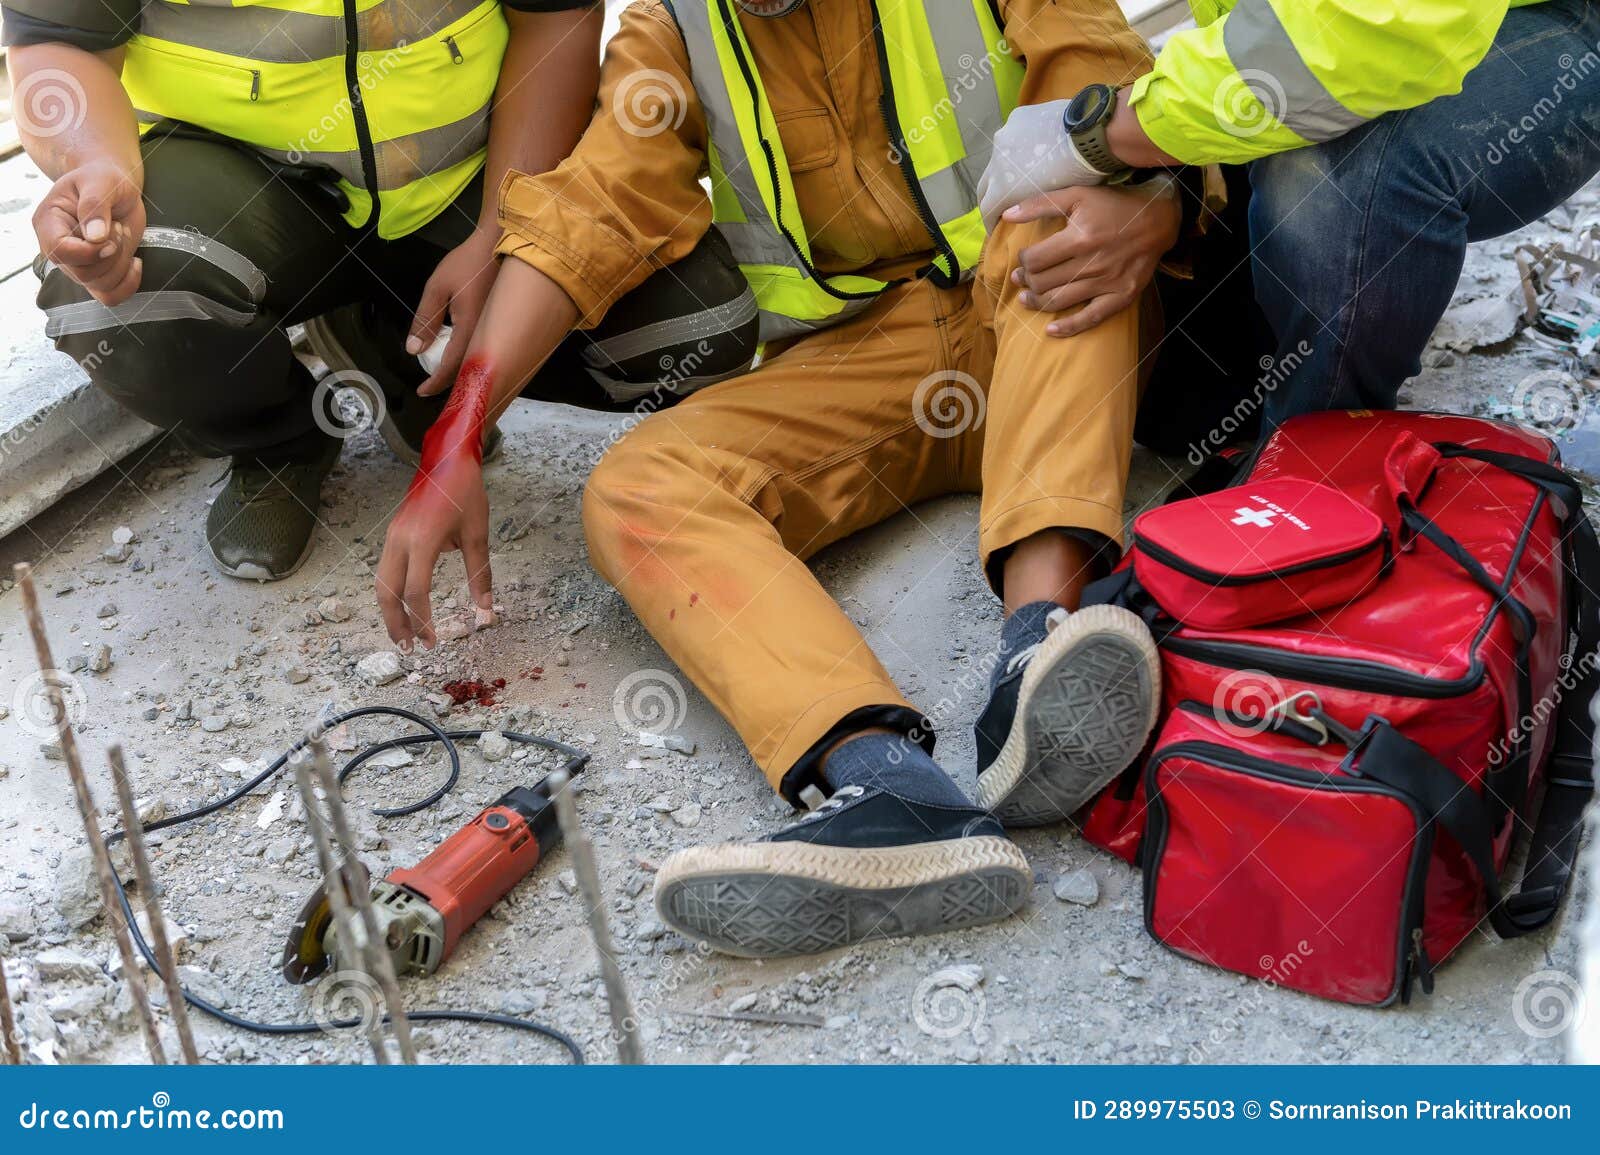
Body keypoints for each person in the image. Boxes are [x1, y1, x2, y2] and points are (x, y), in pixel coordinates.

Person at [376, 0, 1181, 958]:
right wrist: (461, 431)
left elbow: (1107, 89)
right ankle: (889, 787)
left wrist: (1156, 202)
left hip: (1053, 287)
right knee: (637, 483)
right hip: (886, 363)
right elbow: (591, 210)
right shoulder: (675, 26)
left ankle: (1035, 654)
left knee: (1054, 221)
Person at [7, 0, 757, 580]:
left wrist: (505, 230)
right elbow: (56, 41)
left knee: (697, 332)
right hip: (242, 183)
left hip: (463, 176)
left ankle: (389, 345)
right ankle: (279, 442)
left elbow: (555, 20)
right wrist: (102, 164)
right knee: (121, 295)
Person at [976, 0, 1600, 437]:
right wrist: (1166, 186)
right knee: (1188, 404)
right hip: (1338, 43)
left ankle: (1314, 465)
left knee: (1342, 181)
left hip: (1540, 21)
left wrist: (1107, 132)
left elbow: (1385, 25)